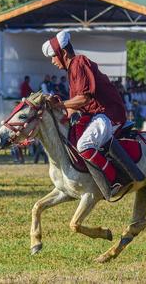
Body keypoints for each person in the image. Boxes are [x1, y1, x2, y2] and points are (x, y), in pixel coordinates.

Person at [41, 30, 126, 198]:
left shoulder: (79, 63)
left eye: (53, 56)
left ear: (63, 53)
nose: (52, 61)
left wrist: (59, 104)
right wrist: (59, 115)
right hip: (96, 116)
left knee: (83, 145)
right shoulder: (72, 69)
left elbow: (84, 99)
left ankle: (113, 180)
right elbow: (74, 106)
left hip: (108, 115)